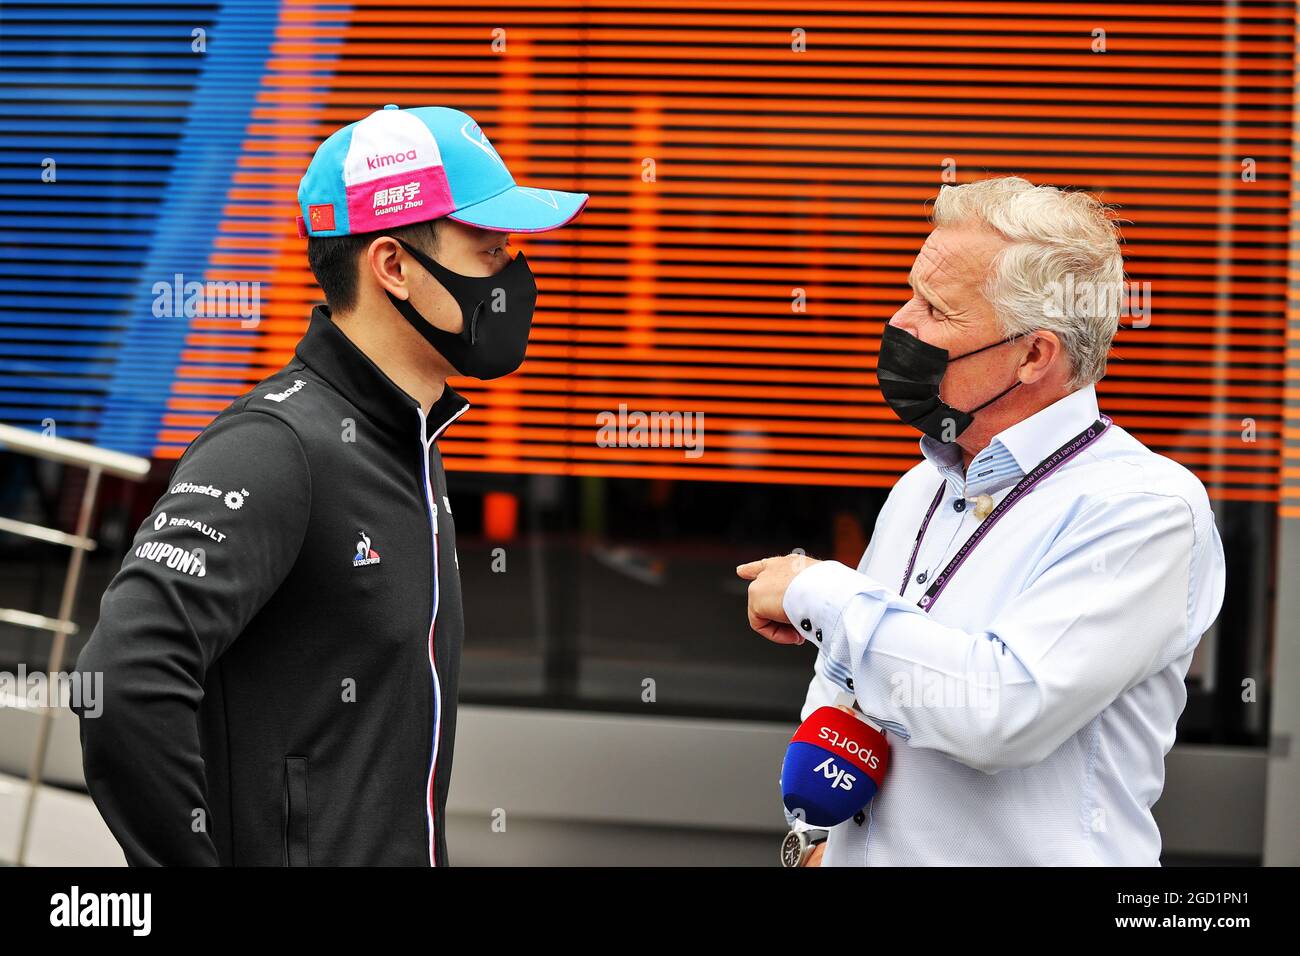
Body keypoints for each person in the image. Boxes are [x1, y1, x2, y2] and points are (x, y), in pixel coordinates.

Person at [71, 105, 587, 865]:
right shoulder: (275, 448)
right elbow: (122, 679)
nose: (514, 274)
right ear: (394, 266)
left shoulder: (408, 440)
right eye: (489, 249)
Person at [738, 176, 1225, 866]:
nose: (901, 322)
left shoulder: (1145, 510)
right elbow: (849, 686)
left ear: (1034, 356)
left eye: (936, 308)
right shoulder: (924, 483)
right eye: (911, 292)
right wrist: (819, 845)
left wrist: (817, 590)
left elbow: (1000, 713)